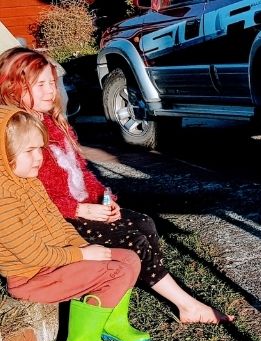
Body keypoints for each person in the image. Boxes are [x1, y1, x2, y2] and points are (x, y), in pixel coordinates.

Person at [0, 47, 233, 324]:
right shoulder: (20, 136)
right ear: (15, 87)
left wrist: (103, 198)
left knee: (144, 222)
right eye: (40, 85)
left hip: (82, 209)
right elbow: (38, 197)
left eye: (52, 82)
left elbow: (81, 172)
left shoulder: (53, 122)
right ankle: (186, 305)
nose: (50, 90)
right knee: (131, 240)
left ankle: (135, 294)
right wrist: (80, 210)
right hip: (61, 220)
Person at [0, 105, 150, 341]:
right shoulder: (4, 197)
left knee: (129, 259)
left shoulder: (31, 183)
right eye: (29, 151)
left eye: (40, 149)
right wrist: (82, 255)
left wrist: (84, 246)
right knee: (113, 272)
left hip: (54, 263)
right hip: (32, 277)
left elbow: (59, 225)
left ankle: (110, 322)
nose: (39, 157)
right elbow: (31, 253)